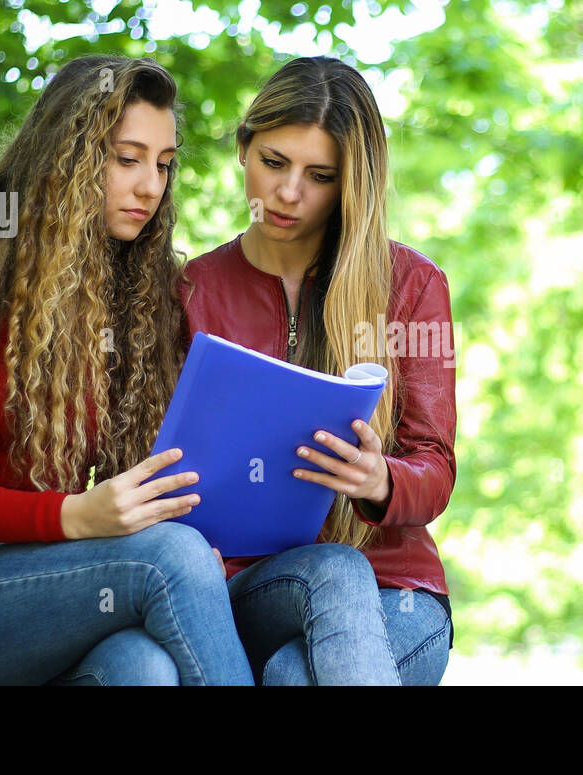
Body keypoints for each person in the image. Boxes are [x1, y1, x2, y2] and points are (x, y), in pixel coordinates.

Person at [0, 56, 253, 685]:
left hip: (58, 576)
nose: (151, 185)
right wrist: (78, 516)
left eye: (164, 163)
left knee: (141, 669)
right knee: (171, 560)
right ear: (68, 159)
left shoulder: (133, 306)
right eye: (127, 158)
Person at [180, 56, 457, 685]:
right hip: (245, 584)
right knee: (323, 590)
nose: (288, 193)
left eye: (320, 175)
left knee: (291, 676)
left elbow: (435, 467)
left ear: (350, 184)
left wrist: (380, 479)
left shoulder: (413, 285)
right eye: (274, 162)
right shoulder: (190, 289)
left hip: (396, 588)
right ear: (243, 148)